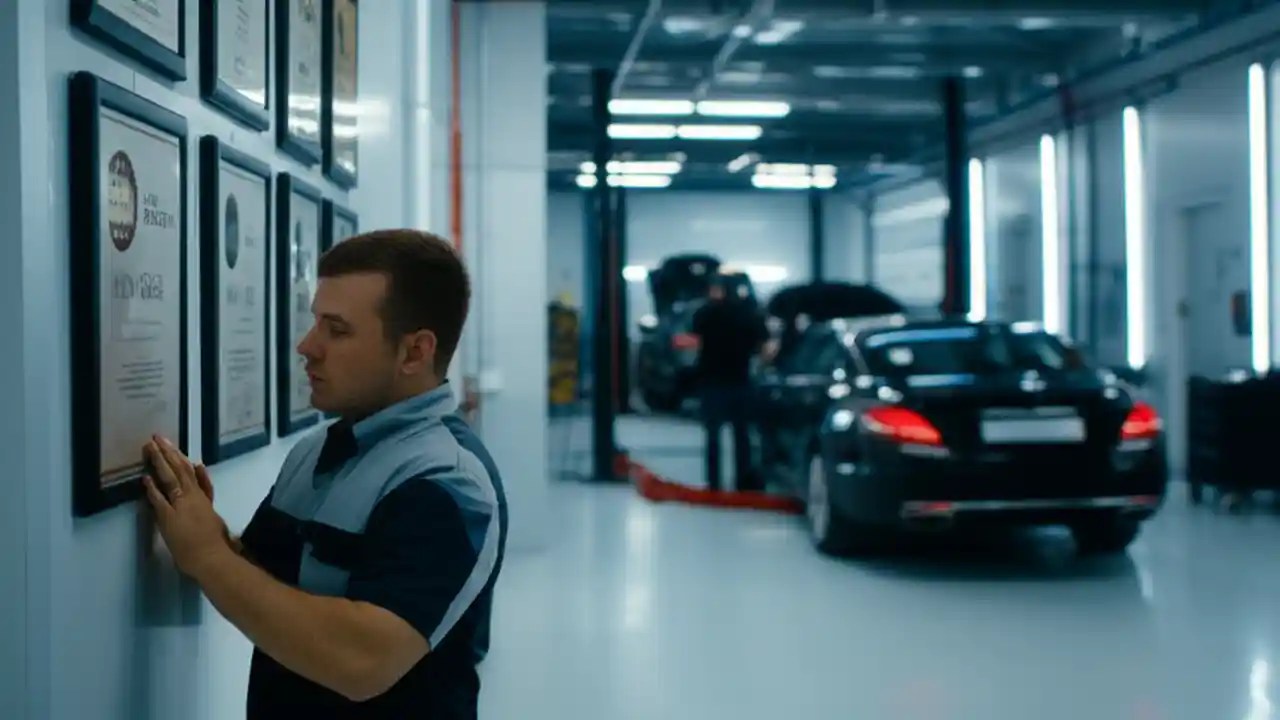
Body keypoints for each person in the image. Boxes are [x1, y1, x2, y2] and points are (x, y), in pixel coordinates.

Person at [139, 230, 508, 719]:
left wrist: (207, 554)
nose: (307, 345)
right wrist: (212, 534)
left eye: (336, 329)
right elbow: (266, 580)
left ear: (414, 352)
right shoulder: (315, 452)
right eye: (315, 322)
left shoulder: (447, 482)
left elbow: (362, 661)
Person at [690, 276, 770, 492]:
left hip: (712, 380)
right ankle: (742, 483)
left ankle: (713, 484)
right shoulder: (750, 314)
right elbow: (764, 348)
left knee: (713, 436)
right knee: (742, 435)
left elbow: (694, 341)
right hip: (740, 380)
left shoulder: (705, 313)